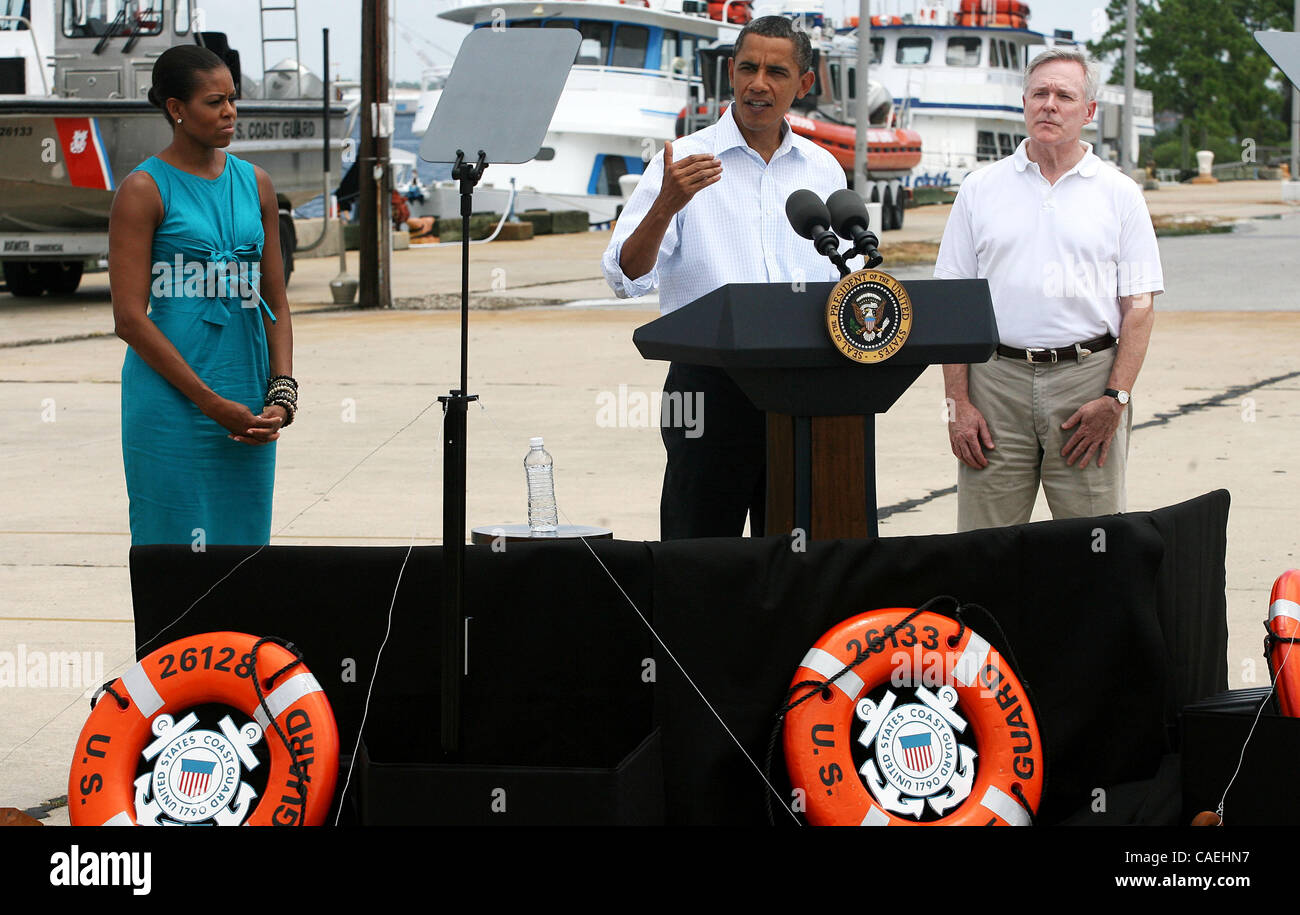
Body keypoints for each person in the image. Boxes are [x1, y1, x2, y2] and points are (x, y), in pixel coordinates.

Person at [601, 16, 845, 539]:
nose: (759, 83)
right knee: (700, 556)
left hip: (803, 385)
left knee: (795, 556)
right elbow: (625, 277)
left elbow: (840, 276)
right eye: (748, 68)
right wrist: (666, 204)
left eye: (777, 72)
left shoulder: (823, 170)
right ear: (730, 73)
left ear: (803, 84)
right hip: (708, 390)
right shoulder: (682, 163)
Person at [934, 47, 1163, 531]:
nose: (1050, 105)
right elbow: (952, 302)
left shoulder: (1119, 194)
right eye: (1040, 93)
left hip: (1088, 389)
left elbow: (1138, 306)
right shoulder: (980, 189)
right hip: (994, 385)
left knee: (1094, 548)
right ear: (1024, 102)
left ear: (1089, 112)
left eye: (1064, 95)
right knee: (984, 546)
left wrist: (1114, 399)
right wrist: (958, 404)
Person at [111, 45, 295, 546]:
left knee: (244, 552)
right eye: (215, 102)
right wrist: (210, 404)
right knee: (172, 553)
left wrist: (282, 393)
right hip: (172, 401)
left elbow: (275, 302)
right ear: (176, 109)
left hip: (246, 397)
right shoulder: (143, 189)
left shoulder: (256, 183)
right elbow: (129, 319)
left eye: (233, 99)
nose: (230, 112)